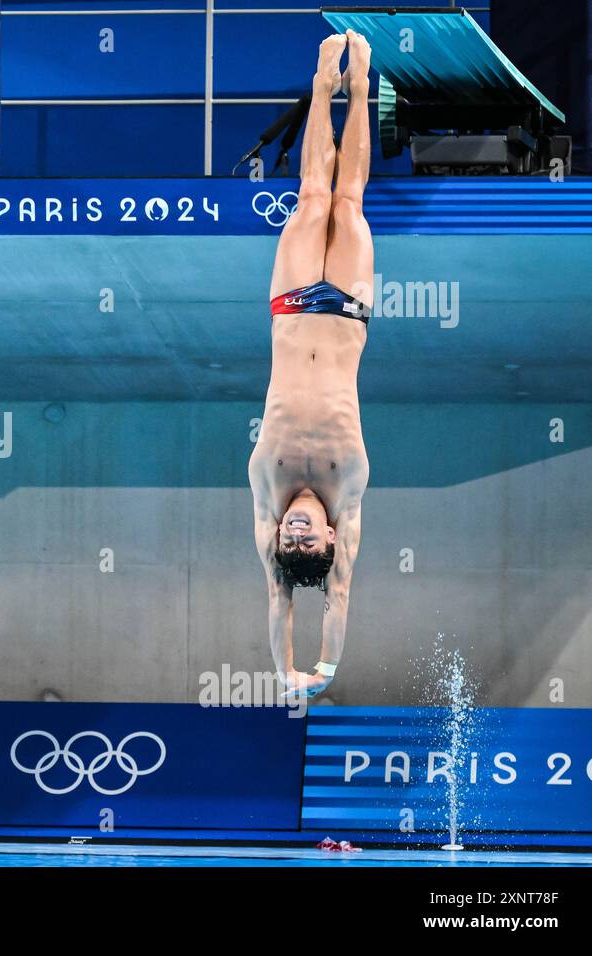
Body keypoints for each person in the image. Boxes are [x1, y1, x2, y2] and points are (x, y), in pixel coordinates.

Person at [248, 31, 373, 698]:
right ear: (331, 536)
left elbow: (277, 597)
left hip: (295, 311)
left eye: (287, 545)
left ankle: (324, 85)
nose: (297, 535)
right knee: (348, 199)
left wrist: (280, 670)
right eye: (310, 546)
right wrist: (322, 669)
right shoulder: (345, 494)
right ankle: (362, 90)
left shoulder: (268, 492)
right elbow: (338, 596)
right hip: (349, 313)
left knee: (311, 199)